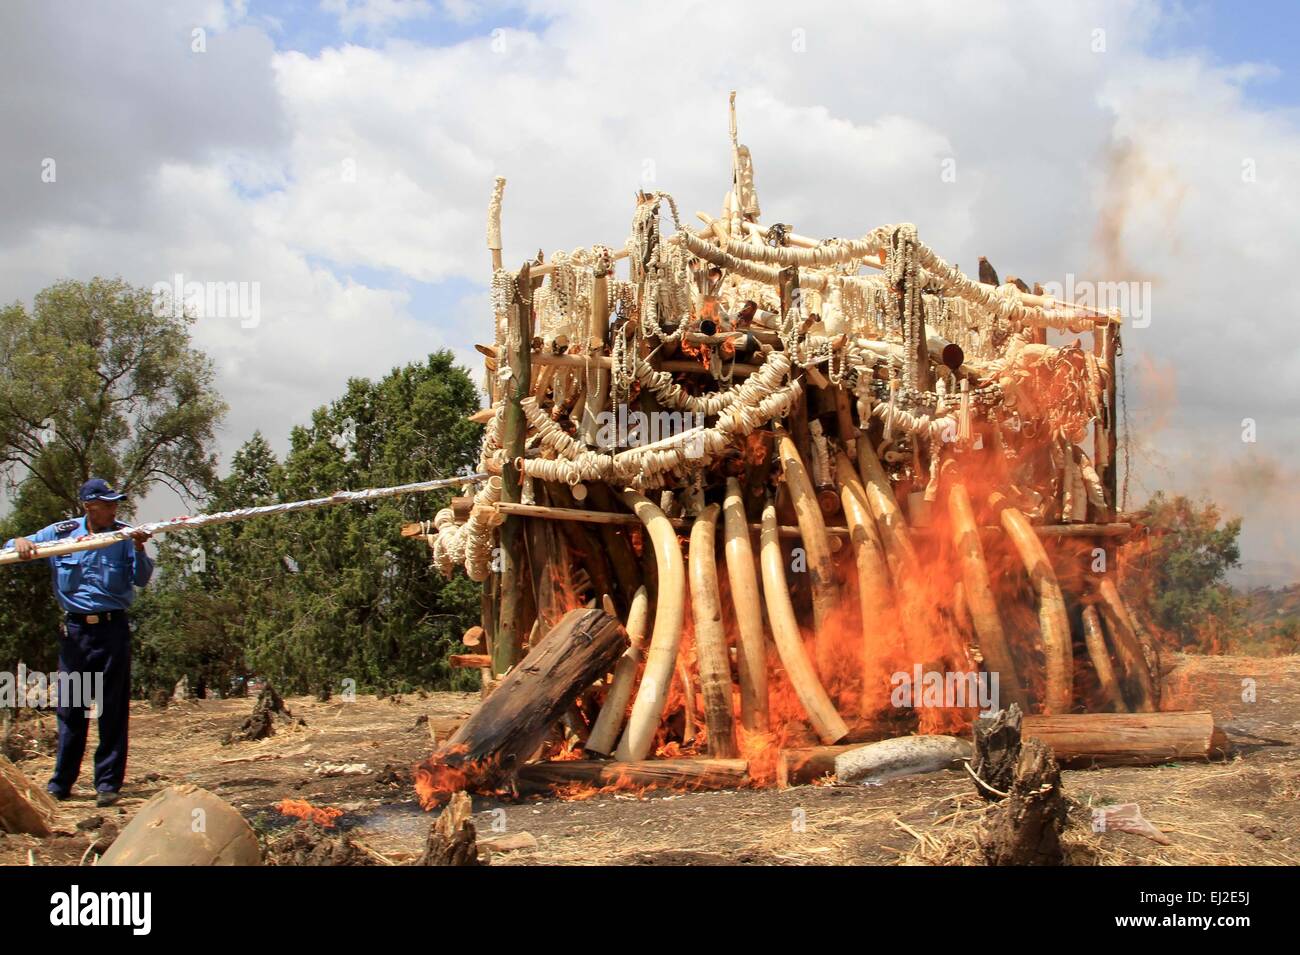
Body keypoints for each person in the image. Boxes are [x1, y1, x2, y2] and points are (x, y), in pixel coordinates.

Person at [4, 478, 153, 807]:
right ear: (89, 507)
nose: (114, 510)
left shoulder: (125, 534)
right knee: (72, 710)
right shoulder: (61, 533)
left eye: (116, 504)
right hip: (75, 634)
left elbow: (142, 578)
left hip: (113, 630)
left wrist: (140, 547)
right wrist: (19, 542)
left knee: (111, 709)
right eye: (107, 505)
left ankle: (108, 783)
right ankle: (61, 783)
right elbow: (11, 549)